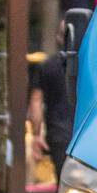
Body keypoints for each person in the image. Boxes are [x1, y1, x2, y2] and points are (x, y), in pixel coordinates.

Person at [30, 21, 74, 182]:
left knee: (63, 181)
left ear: (58, 37)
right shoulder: (89, 65)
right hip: (85, 133)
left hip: (58, 133)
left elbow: (36, 101)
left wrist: (36, 134)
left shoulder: (47, 66)